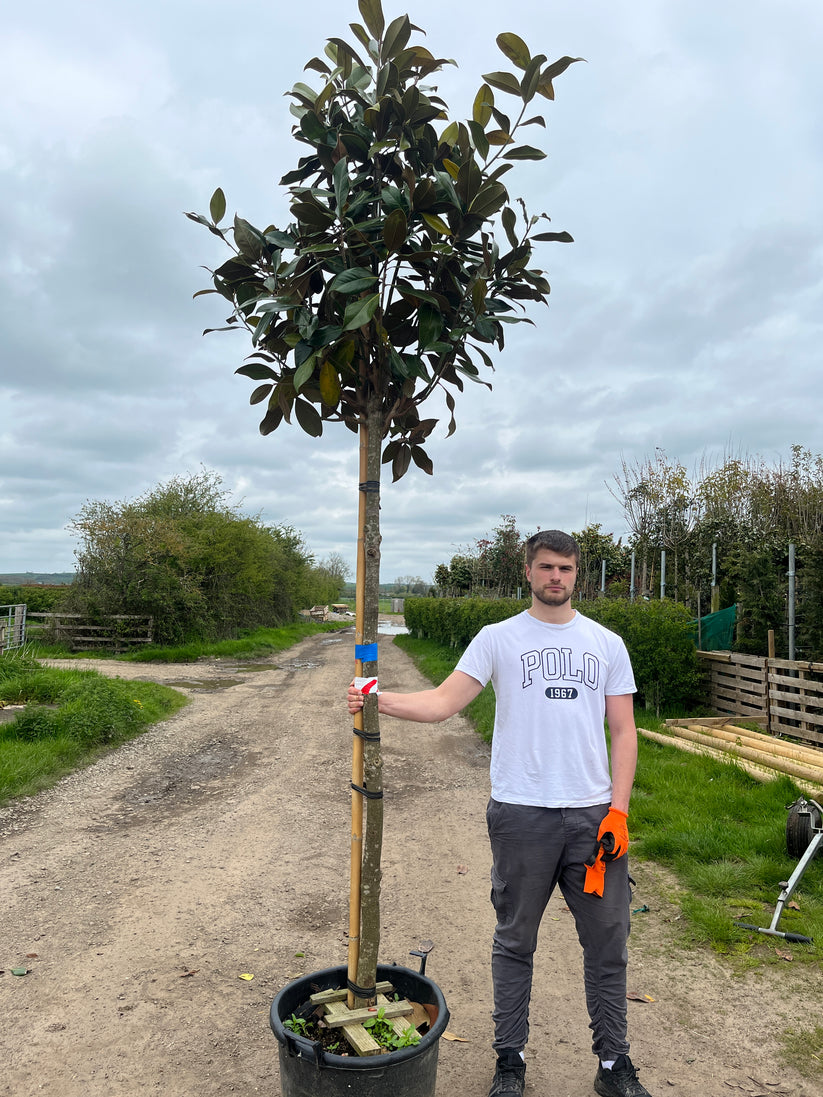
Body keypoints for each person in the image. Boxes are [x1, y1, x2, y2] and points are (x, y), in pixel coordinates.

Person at [347, 529, 652, 1097]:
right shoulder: (497, 639)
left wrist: (619, 811)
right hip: (520, 815)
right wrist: (373, 697)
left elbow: (624, 731)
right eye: (545, 567)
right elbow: (443, 703)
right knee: (515, 940)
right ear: (528, 572)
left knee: (609, 943)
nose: (555, 577)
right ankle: (509, 1059)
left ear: (576, 574)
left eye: (565, 568)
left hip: (593, 820)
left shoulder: (607, 644)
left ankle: (614, 1064)